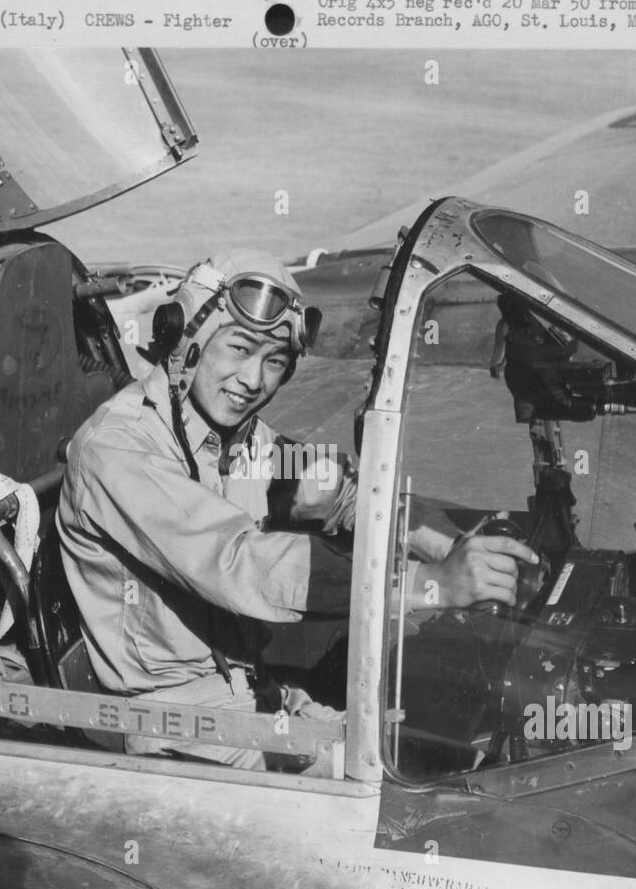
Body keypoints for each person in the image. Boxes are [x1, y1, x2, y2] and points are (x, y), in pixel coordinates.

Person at [56, 249, 537, 770]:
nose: (252, 380)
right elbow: (238, 561)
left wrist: (442, 543)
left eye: (274, 362)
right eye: (238, 349)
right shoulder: (119, 449)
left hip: (252, 690)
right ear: (185, 341)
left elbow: (343, 493)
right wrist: (432, 584)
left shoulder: (236, 441)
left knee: (442, 756)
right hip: (174, 722)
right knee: (396, 792)